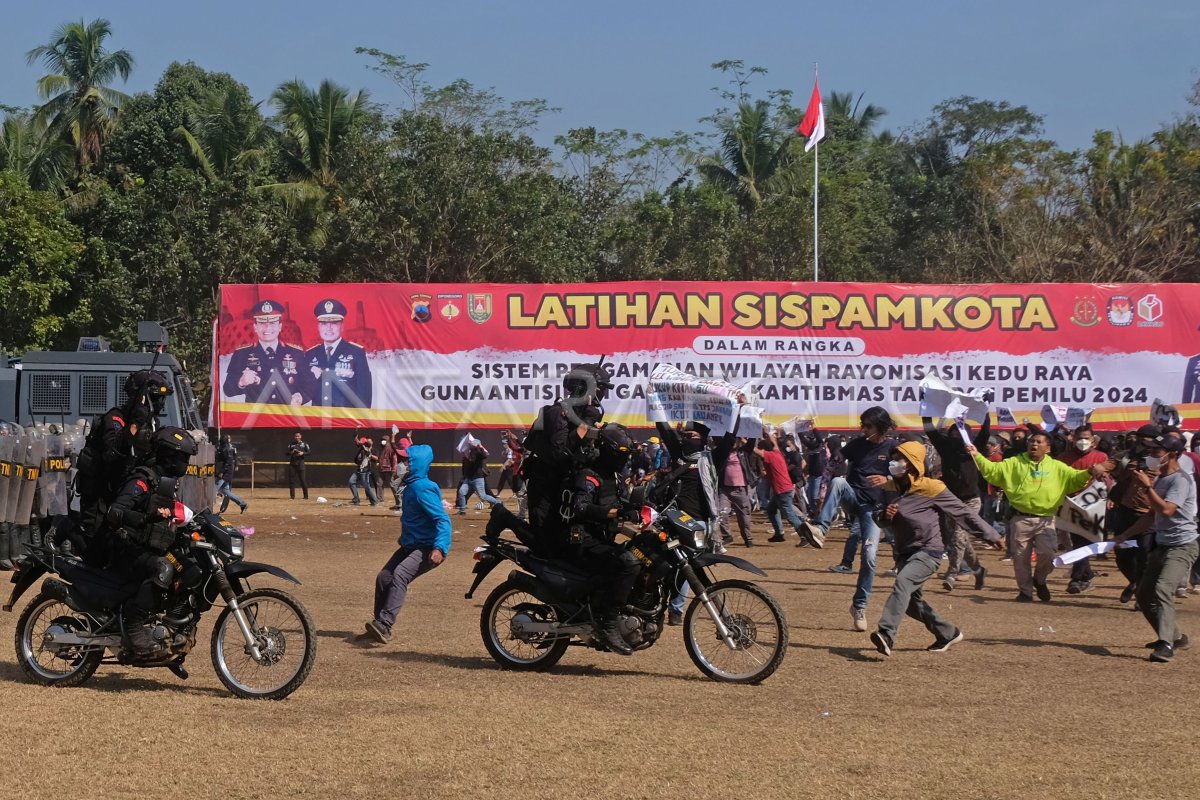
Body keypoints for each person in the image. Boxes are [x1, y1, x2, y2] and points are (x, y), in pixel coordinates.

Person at [869, 441, 1002, 657]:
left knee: (903, 582)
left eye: (900, 458)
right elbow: (881, 520)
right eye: (893, 458)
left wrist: (991, 535)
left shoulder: (932, 487)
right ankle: (948, 633)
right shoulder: (891, 487)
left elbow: (963, 512)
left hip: (928, 551)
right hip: (904, 553)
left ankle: (886, 633)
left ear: (913, 463)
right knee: (912, 603)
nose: (894, 463)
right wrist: (886, 515)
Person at [970, 431, 1110, 602]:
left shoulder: (1057, 467)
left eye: (1038, 442)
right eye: (1032, 441)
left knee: (1048, 554)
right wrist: (977, 455)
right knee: (1021, 558)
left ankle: (1040, 580)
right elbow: (993, 470)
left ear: (1048, 448)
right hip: (1020, 518)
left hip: (1047, 519)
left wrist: (1089, 472)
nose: (1033, 445)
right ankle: (1025, 592)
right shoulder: (1014, 462)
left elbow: (1075, 478)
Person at [803, 407, 900, 632]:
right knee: (838, 482)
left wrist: (887, 479)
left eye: (869, 426)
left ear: (882, 427)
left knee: (869, 555)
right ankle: (820, 528)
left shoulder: (893, 448)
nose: (864, 430)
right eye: (862, 425)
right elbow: (834, 461)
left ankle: (859, 606)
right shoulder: (857, 444)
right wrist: (834, 459)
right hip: (852, 496)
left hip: (873, 509)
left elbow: (906, 474)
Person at [105, 427, 197, 657]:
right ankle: (134, 626)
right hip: (126, 549)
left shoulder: (166, 482)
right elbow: (115, 512)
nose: (184, 464)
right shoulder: (142, 480)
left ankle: (172, 627)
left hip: (147, 547)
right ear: (168, 456)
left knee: (187, 565)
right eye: (182, 458)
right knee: (163, 567)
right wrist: (145, 518)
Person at [1112, 432, 1199, 662]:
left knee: (1162, 589)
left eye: (1156, 451)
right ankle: (1176, 636)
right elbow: (1152, 516)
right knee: (1143, 594)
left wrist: (1148, 488)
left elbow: (1168, 510)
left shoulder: (1180, 480)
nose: (1150, 455)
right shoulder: (1161, 478)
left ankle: (1166, 644)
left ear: (1171, 454)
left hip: (1182, 546)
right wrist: (1124, 535)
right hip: (1163, 544)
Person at [73, 369, 173, 563]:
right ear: (141, 397)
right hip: (99, 492)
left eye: (162, 399)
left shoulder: (151, 423)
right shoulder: (116, 418)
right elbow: (112, 452)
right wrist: (135, 423)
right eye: (156, 398)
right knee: (96, 552)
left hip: (122, 489)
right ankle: (64, 528)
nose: (160, 404)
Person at [566, 423, 644, 655]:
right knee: (629, 564)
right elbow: (581, 507)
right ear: (608, 451)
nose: (625, 459)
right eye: (621, 453)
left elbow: (616, 517)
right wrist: (619, 513)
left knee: (641, 552)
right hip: (582, 540)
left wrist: (639, 531)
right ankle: (609, 625)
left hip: (601, 539)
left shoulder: (615, 478)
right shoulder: (590, 475)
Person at [366, 443, 452, 643]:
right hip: (411, 546)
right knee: (383, 577)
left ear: (417, 463)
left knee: (400, 575)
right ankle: (378, 625)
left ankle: (385, 624)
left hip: (428, 548)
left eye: (406, 461)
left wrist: (439, 548)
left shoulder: (423, 488)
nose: (401, 464)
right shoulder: (412, 485)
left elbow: (442, 520)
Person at [521, 362, 612, 533]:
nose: (604, 393)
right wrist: (587, 423)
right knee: (544, 537)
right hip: (545, 487)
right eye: (601, 388)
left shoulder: (582, 415)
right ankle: (503, 517)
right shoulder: (557, 412)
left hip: (566, 485)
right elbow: (561, 452)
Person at [921, 413, 993, 592]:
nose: (955, 438)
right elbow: (930, 431)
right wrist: (927, 411)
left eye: (959, 435)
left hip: (971, 500)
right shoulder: (945, 447)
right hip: (950, 500)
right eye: (953, 434)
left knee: (958, 536)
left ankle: (952, 573)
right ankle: (978, 569)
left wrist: (985, 413)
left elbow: (985, 432)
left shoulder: (974, 449)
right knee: (958, 539)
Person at [222, 299, 313, 406]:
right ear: (255, 327)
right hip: (256, 418)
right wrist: (241, 382)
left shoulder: (295, 353)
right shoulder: (242, 354)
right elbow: (227, 389)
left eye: (273, 323)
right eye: (262, 323)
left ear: (280, 326)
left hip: (287, 417)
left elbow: (311, 384)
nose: (267, 328)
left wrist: (300, 397)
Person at [1063, 425, 1110, 594]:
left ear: (1093, 441)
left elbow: (1108, 480)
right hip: (1072, 504)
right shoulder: (1064, 458)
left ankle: (1080, 577)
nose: (1083, 441)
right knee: (1078, 541)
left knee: (1084, 541)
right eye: (1080, 438)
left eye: (1086, 438)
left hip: (1095, 505)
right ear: (1073, 439)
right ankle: (1083, 576)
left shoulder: (1101, 457)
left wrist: (1110, 496)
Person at [304, 298, 373, 408]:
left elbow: (364, 395)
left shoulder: (356, 353)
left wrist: (360, 422)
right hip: (317, 420)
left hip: (345, 421)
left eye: (334, 323)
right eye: (324, 323)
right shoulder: (310, 354)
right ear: (318, 327)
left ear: (342, 326)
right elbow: (304, 391)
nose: (329, 328)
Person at [756, 432, 820, 547]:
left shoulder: (770, 456)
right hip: (784, 488)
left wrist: (744, 439)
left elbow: (754, 450)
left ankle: (804, 536)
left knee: (789, 514)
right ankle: (779, 534)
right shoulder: (777, 452)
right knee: (771, 509)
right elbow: (774, 442)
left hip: (782, 490)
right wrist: (765, 430)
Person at [717, 436, 755, 547]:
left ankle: (747, 538)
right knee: (721, 513)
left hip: (740, 489)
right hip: (725, 489)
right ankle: (727, 536)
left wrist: (746, 436)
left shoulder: (743, 452)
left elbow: (751, 443)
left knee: (744, 515)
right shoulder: (723, 453)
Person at [456, 438, 502, 513]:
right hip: (469, 478)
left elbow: (485, 455)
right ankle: (462, 510)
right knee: (461, 492)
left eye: (473, 444)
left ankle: (497, 503)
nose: (471, 445)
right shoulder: (469, 453)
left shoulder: (479, 454)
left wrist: (479, 447)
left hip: (478, 479)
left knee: (483, 496)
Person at [215, 434, 247, 514]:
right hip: (225, 472)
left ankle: (206, 510)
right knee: (227, 492)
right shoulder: (223, 448)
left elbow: (228, 462)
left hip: (224, 473)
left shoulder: (227, 449)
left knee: (214, 490)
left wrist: (222, 472)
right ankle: (242, 504)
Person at [349, 434, 379, 506]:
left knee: (367, 486)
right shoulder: (362, 449)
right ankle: (356, 500)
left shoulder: (367, 449)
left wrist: (360, 442)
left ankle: (375, 501)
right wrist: (355, 434)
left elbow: (361, 444)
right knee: (351, 481)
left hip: (365, 471)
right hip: (359, 469)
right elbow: (357, 442)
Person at [286, 432, 310, 500]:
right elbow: (286, 453)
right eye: (296, 436)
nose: (297, 437)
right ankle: (292, 497)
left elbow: (309, 452)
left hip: (300, 464)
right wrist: (292, 452)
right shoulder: (291, 444)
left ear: (301, 437)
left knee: (303, 480)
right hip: (292, 464)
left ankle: (306, 497)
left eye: (298, 436)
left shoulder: (304, 444)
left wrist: (303, 453)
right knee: (291, 481)